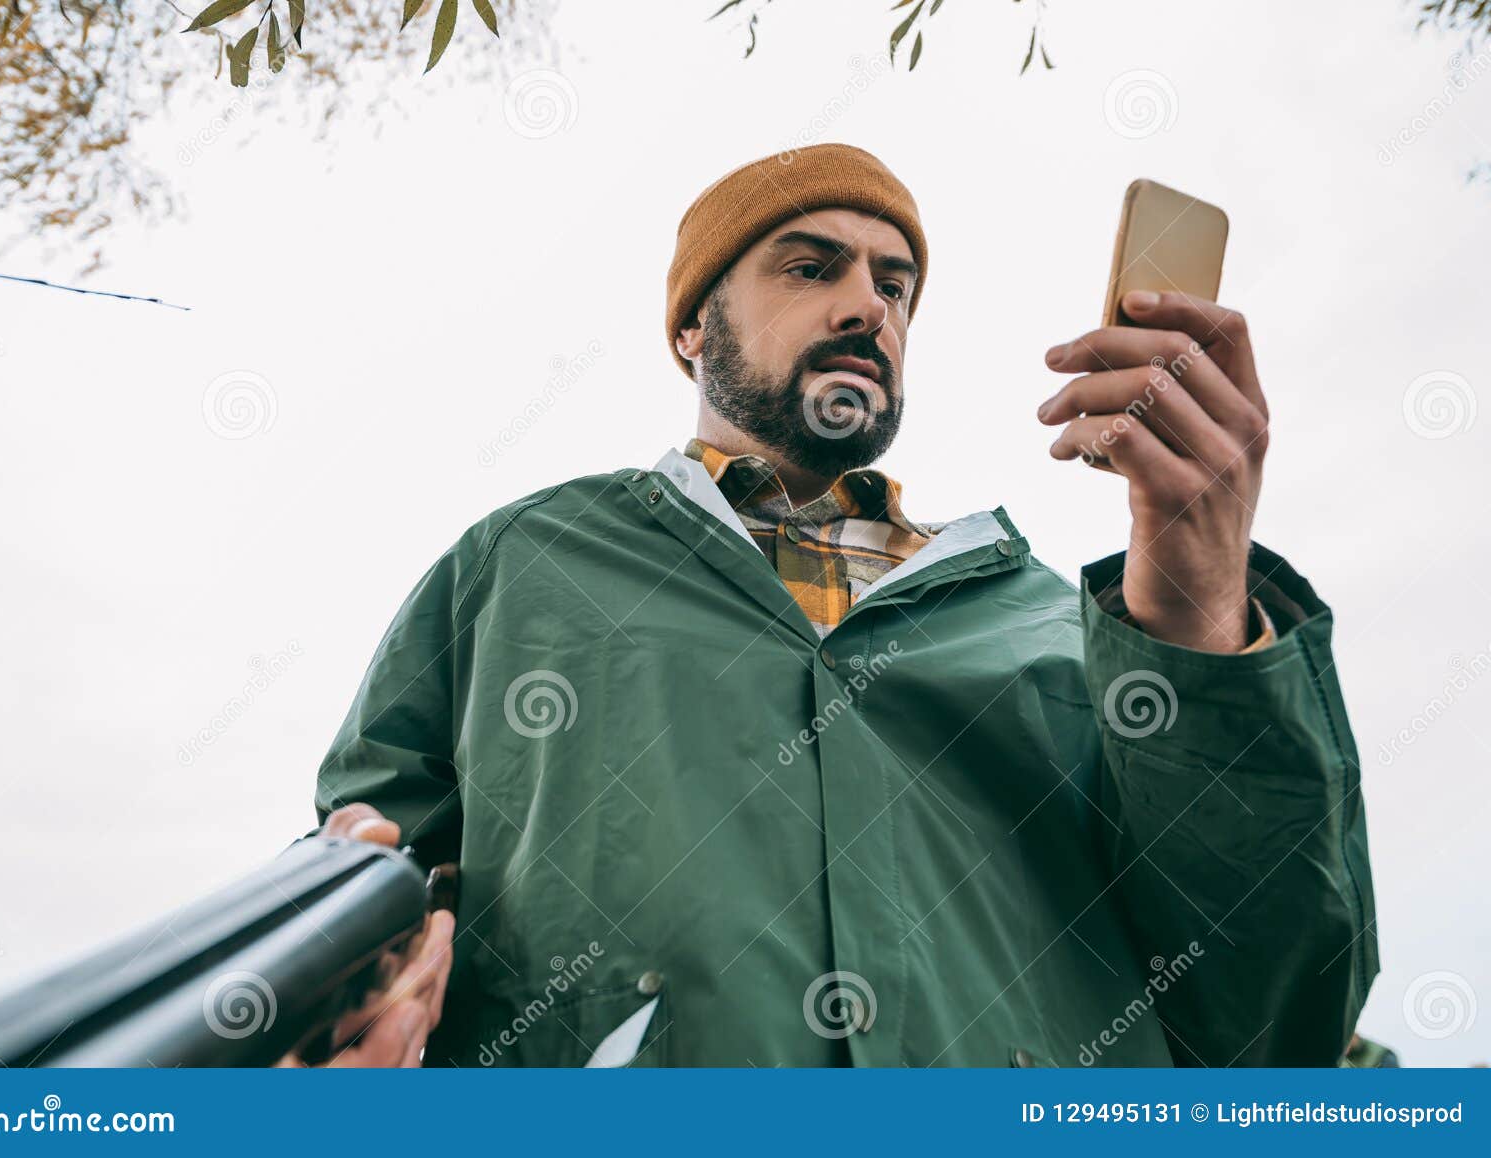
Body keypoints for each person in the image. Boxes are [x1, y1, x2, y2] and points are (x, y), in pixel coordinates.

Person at [300, 143, 1377, 1067]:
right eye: (811, 267)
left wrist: (1199, 611)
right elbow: (367, 889)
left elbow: (1269, 1020)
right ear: (692, 328)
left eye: (895, 284)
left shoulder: (1074, 632)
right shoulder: (523, 565)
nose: (869, 304)